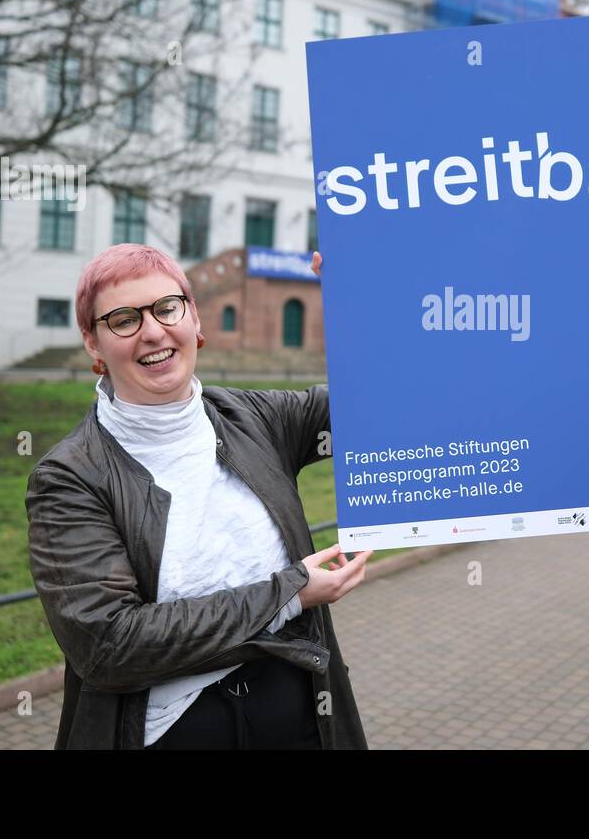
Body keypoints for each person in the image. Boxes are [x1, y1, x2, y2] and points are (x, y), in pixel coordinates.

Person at [25, 243, 371, 749]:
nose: (153, 331)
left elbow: (380, 402)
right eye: (123, 319)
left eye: (167, 308)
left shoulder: (258, 419)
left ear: (194, 318)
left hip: (302, 716)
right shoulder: (69, 477)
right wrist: (289, 593)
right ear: (93, 344)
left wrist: (365, 303)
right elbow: (109, 645)